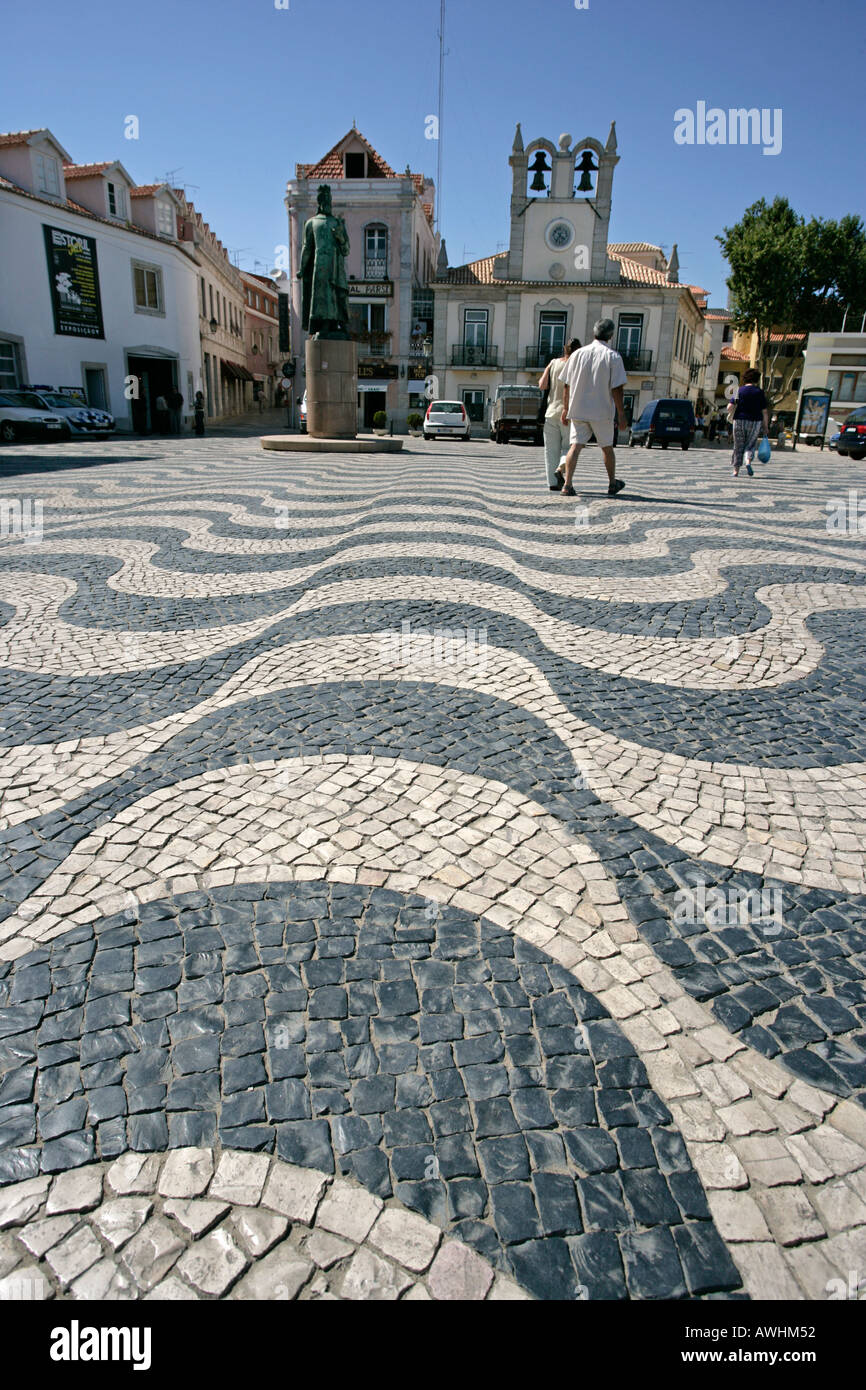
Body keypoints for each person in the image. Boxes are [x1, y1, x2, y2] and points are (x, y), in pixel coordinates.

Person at [560, 318, 629, 497]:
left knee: (575, 446)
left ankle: (567, 485)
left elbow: (566, 384)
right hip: (601, 410)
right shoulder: (613, 357)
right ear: (611, 335)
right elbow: (617, 388)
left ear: (593, 333)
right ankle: (612, 484)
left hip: (578, 409)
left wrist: (565, 408)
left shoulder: (577, 354)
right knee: (606, 447)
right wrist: (621, 414)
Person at [539, 338, 580, 490]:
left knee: (550, 451)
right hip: (568, 413)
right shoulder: (576, 365)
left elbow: (542, 385)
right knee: (568, 448)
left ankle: (552, 483)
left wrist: (548, 367)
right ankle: (561, 468)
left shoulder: (554, 363)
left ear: (564, 348)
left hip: (550, 413)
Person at [730, 368, 769, 477]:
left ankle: (736, 471)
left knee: (738, 446)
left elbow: (730, 407)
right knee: (750, 444)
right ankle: (748, 461)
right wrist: (765, 426)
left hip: (739, 420)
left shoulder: (739, 390)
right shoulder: (759, 392)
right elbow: (764, 411)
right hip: (755, 421)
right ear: (757, 379)